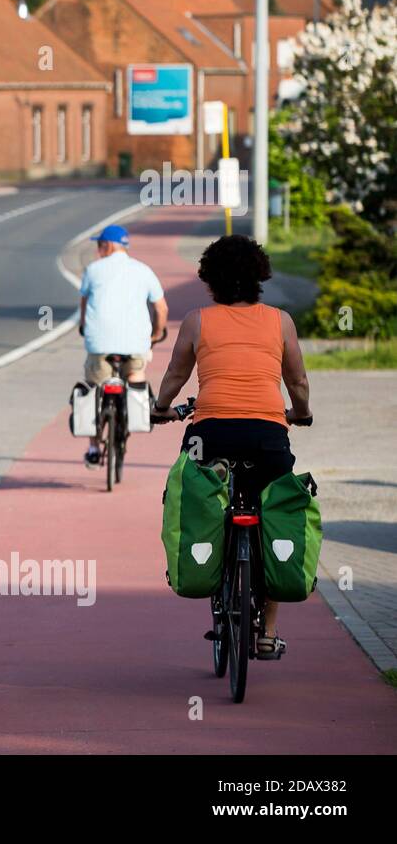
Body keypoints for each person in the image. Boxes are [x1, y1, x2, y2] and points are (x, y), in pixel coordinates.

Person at [151, 235, 312, 659]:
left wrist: (161, 407)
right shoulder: (281, 321)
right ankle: (267, 632)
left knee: (202, 495)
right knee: (275, 511)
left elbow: (174, 375)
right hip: (267, 434)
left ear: (211, 280)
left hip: (212, 434)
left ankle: (211, 564)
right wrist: (301, 413)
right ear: (260, 276)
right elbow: (297, 381)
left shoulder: (197, 321)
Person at [78, 224, 168, 465]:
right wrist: (156, 334)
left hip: (100, 346)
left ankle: (93, 448)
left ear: (107, 246)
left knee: (91, 390)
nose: (98, 250)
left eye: (99, 245)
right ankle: (135, 414)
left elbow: (84, 304)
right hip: (136, 344)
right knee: (136, 374)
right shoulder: (143, 271)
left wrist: (85, 328)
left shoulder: (93, 270)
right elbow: (161, 308)